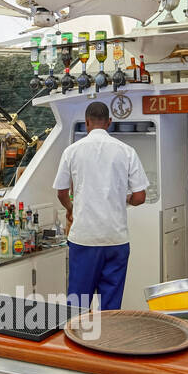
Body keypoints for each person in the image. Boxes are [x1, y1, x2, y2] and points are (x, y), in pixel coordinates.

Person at [53, 101, 149, 311]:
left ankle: (77, 341)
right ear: (110, 123)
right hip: (116, 239)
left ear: (87, 123)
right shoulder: (127, 151)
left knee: (77, 306)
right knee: (111, 307)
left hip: (84, 238)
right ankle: (109, 341)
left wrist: (71, 209)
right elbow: (140, 196)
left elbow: (61, 192)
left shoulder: (72, 151)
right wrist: (126, 199)